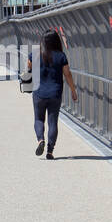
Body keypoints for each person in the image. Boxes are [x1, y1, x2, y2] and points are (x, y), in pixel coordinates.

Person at [28, 29, 77, 159]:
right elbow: (67, 74)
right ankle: (50, 151)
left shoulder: (35, 54)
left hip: (39, 93)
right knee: (53, 121)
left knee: (38, 119)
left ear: (42, 41)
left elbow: (28, 69)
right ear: (56, 41)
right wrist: (73, 90)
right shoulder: (61, 56)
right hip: (55, 93)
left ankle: (40, 140)